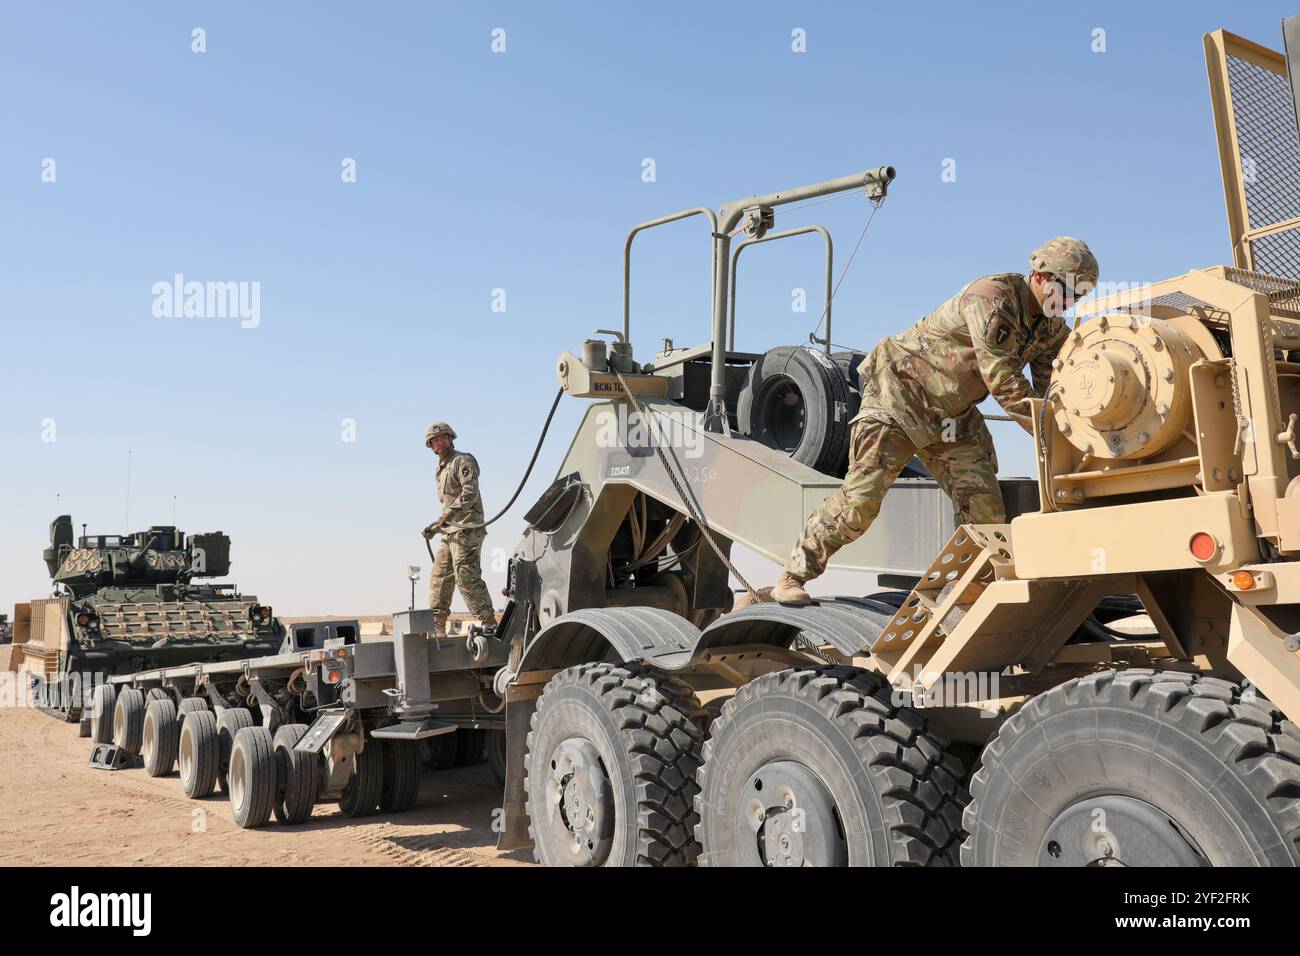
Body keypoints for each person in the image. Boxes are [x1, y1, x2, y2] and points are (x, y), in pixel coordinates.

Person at [772, 237, 1099, 606]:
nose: (1069, 302)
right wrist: (1059, 437)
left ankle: (964, 597)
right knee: (860, 503)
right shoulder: (992, 298)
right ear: (1040, 275)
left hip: (953, 416)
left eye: (1078, 296)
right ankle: (793, 574)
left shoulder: (1050, 328)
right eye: (1066, 290)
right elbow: (1004, 381)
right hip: (899, 397)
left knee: (985, 511)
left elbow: (1051, 388)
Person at [422, 421, 498, 634]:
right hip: (450, 531)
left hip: (468, 528)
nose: (439, 442)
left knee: (465, 576)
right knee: (440, 576)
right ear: (431, 445)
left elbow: (470, 492)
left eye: (442, 437)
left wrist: (448, 515)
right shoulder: (441, 467)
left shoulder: (462, 460)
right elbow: (448, 505)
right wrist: (437, 526)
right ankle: (437, 625)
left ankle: (489, 622)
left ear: (451, 438)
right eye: (434, 440)